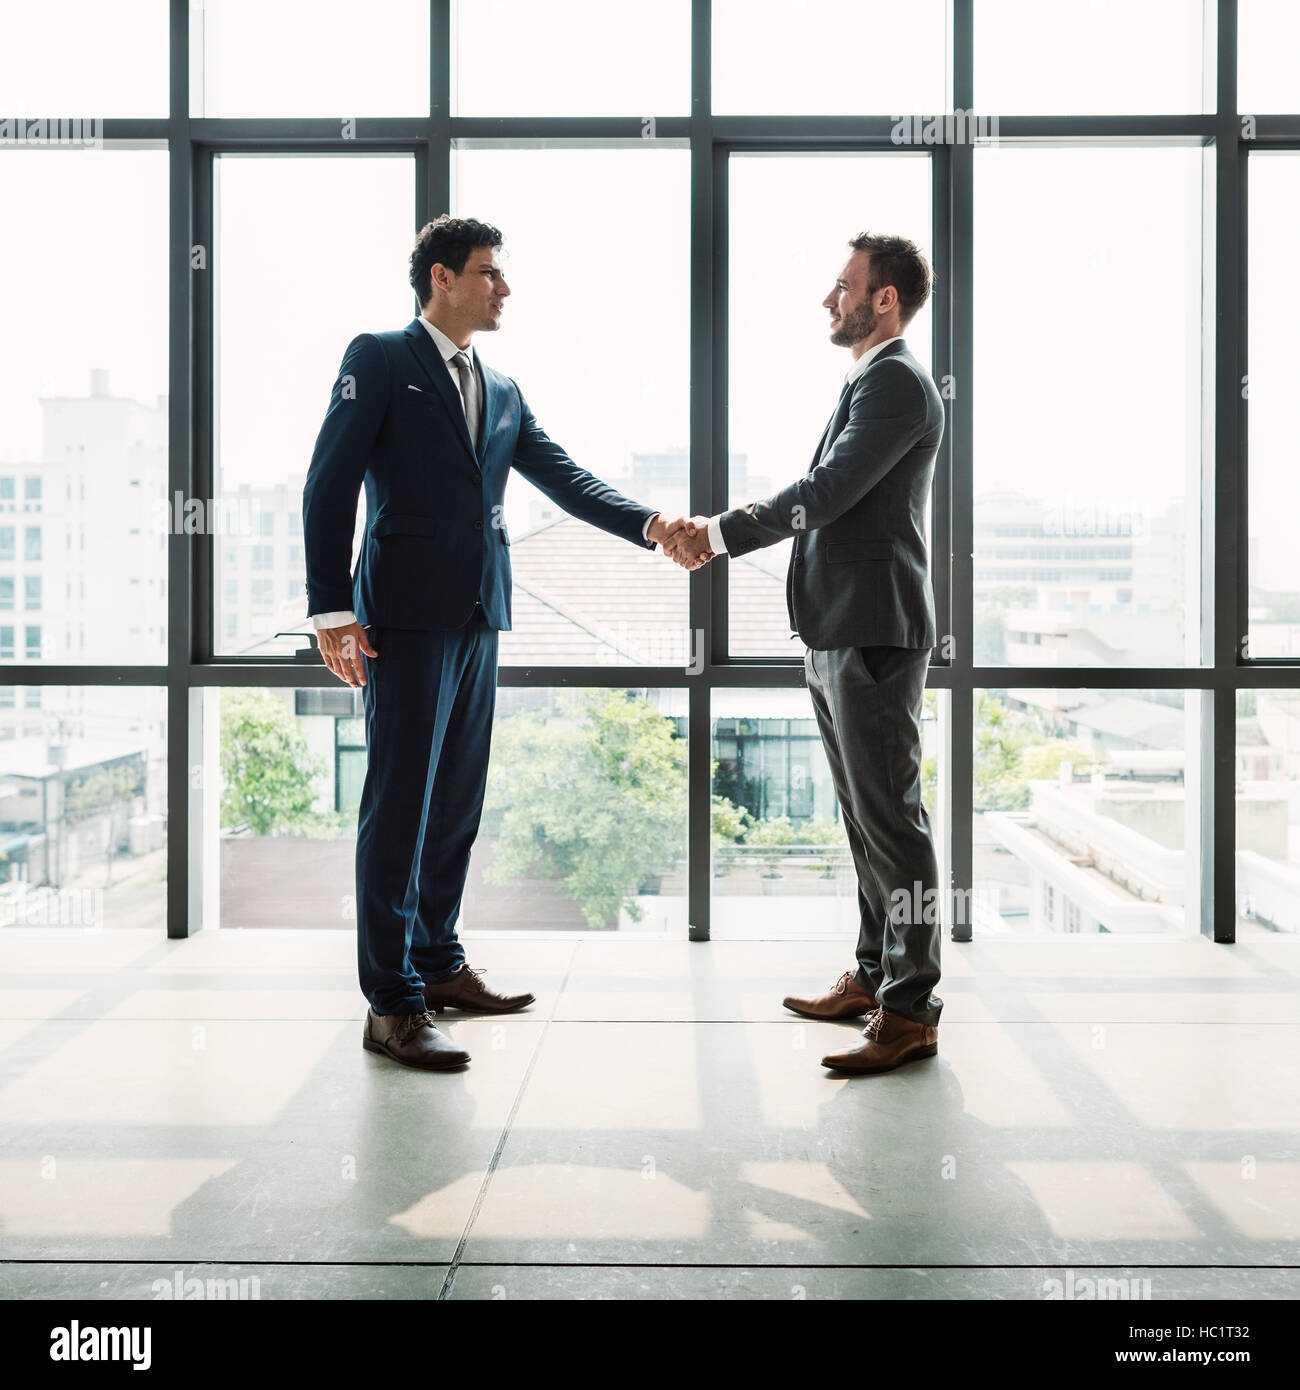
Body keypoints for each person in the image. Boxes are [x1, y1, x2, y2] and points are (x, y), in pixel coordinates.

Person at [303, 215, 689, 1071]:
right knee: (398, 808)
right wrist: (332, 610)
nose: (502, 287)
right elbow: (328, 483)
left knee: (455, 806)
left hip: (480, 616)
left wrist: (654, 524)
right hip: (400, 618)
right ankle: (390, 1005)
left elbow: (565, 477)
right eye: (488, 273)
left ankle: (437, 966)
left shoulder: (502, 389)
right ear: (441, 278)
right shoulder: (380, 358)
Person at [666, 233, 946, 1075]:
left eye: (843, 286)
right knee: (866, 817)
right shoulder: (869, 381)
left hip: (872, 630)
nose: (831, 301)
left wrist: (715, 534)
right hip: (839, 629)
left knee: (892, 817)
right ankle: (872, 975)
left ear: (884, 300)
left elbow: (824, 497)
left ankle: (911, 1006)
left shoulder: (896, 382)